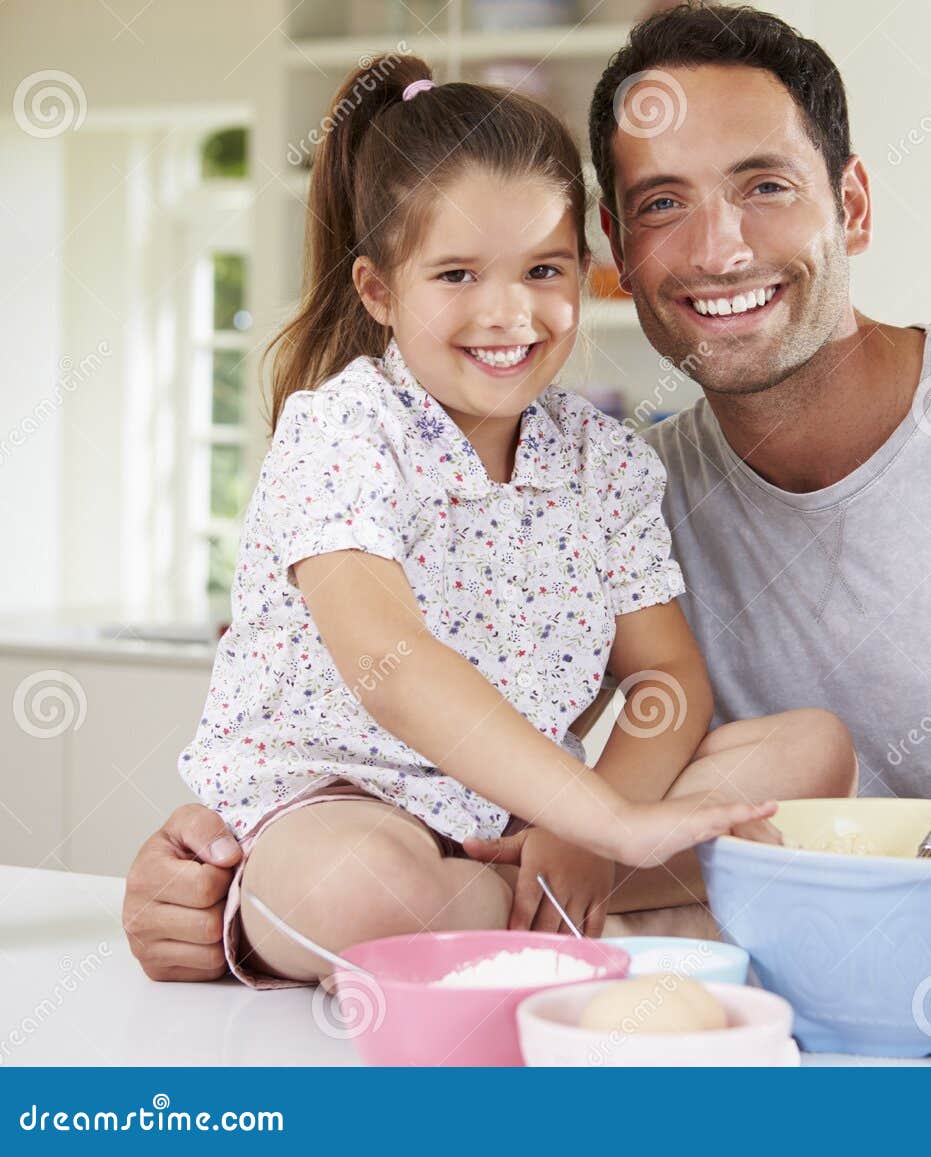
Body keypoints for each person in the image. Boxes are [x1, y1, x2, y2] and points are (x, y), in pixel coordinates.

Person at [129, 5, 931, 1044]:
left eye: (763, 185)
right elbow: (389, 686)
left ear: (849, 205)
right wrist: (220, 864)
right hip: (791, 1023)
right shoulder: (632, 476)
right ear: (620, 256)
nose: (719, 243)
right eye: (664, 203)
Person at [157, 55, 854, 989]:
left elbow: (665, 676)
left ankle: (533, 915)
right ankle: (606, 921)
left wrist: (587, 823)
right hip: (348, 812)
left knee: (811, 753)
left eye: (543, 268)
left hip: (532, 823)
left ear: (583, 269)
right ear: (378, 291)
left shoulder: (604, 462)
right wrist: (609, 829)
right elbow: (391, 664)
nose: (509, 312)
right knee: (359, 891)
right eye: (456, 273)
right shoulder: (341, 431)